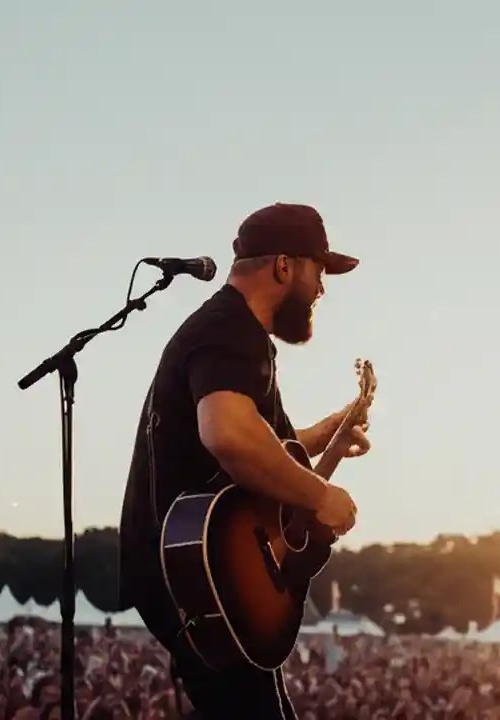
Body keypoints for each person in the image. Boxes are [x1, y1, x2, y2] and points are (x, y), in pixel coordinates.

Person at [117, 202, 371, 718]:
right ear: (284, 266)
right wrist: (321, 495)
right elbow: (230, 437)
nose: (322, 289)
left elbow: (253, 449)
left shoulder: (231, 332)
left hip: (211, 567)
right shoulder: (230, 329)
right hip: (201, 573)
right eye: (319, 271)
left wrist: (321, 437)